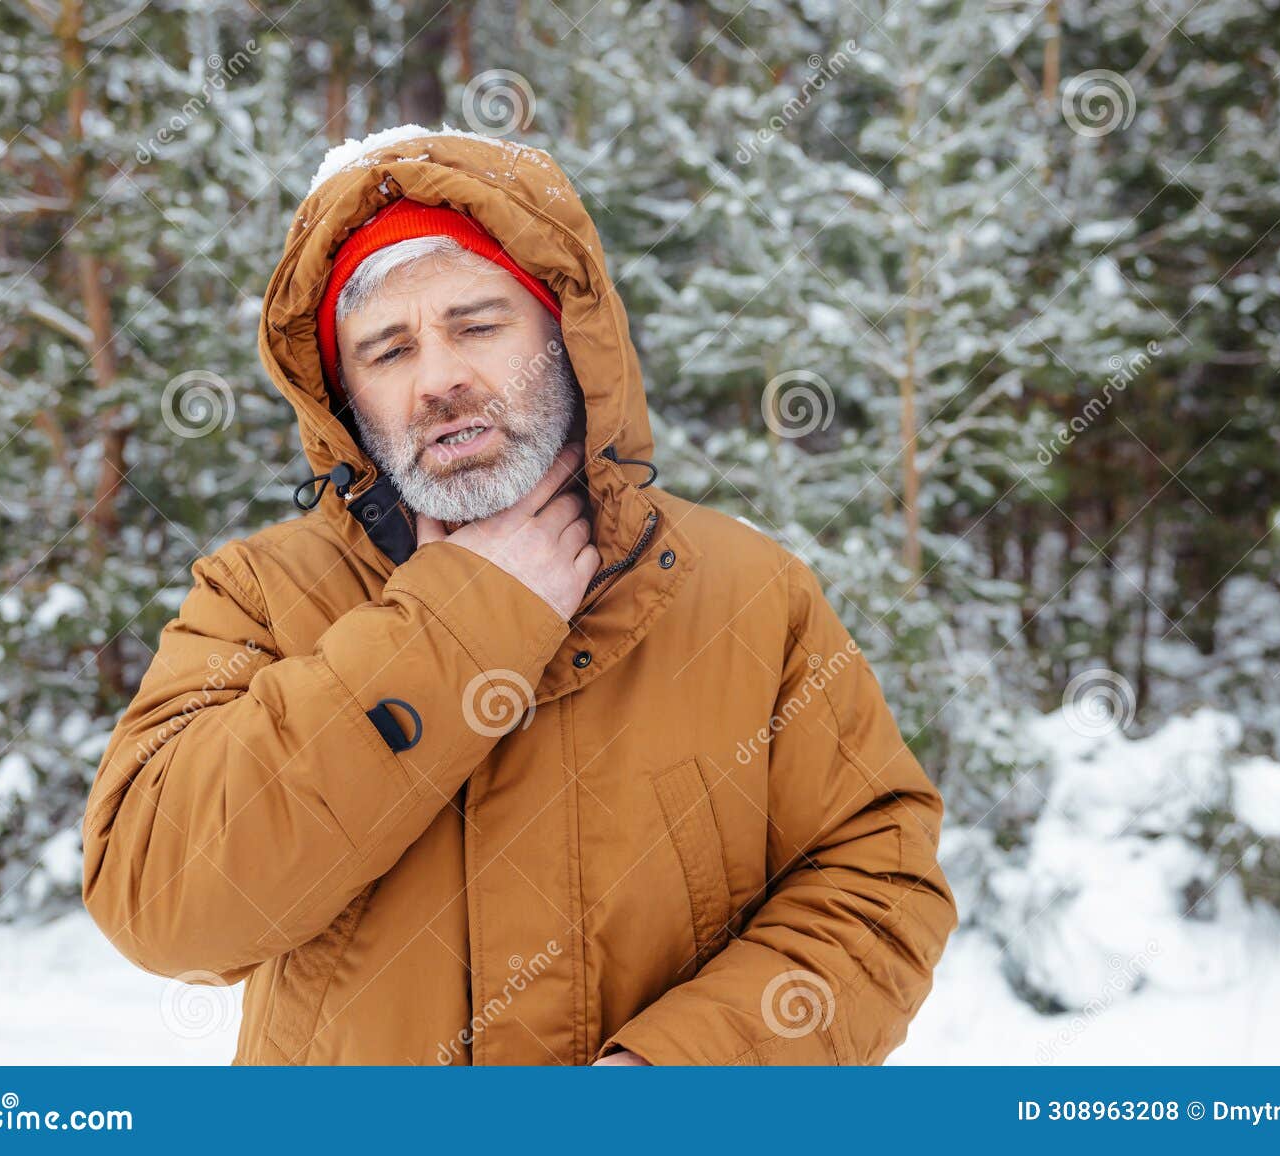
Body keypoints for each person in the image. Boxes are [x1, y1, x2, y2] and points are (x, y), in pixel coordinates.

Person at [81, 125, 959, 1065]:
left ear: (567, 338)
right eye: (387, 351)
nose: (439, 381)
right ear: (346, 403)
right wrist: (461, 616)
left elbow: (880, 888)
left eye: (478, 325)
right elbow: (161, 902)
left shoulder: (748, 592)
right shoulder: (261, 596)